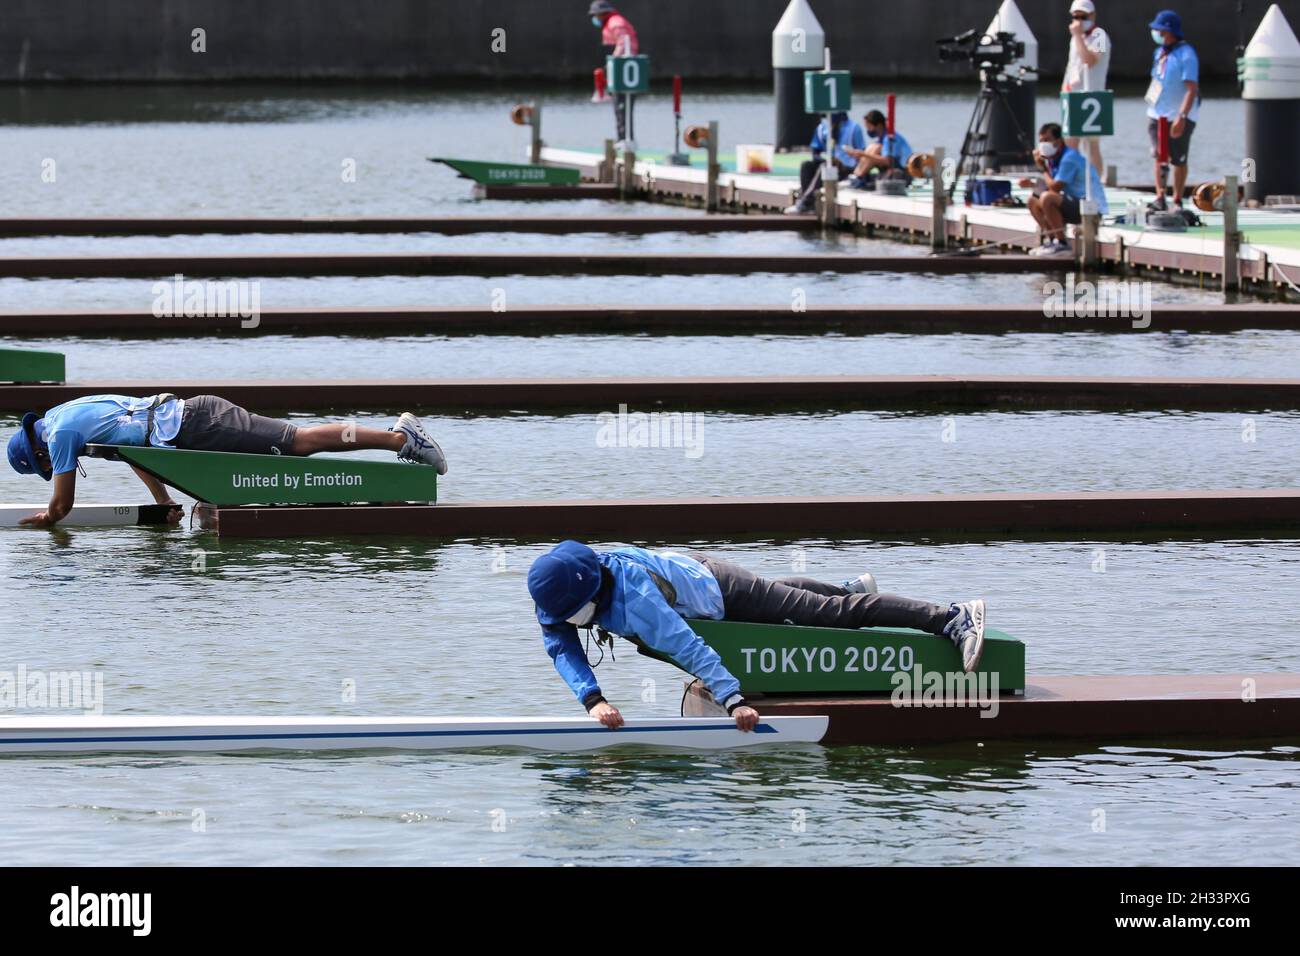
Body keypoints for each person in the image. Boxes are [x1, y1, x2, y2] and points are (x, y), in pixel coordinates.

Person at [527, 541, 987, 732]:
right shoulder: (557, 588)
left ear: (591, 592)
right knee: (790, 602)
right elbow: (558, 642)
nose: (570, 621)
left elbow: (689, 646)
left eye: (574, 614)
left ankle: (951, 617)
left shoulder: (637, 600)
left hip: (721, 591)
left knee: (831, 618)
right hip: (694, 579)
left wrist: (733, 700)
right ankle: (850, 587)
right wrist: (592, 699)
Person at [6, 394, 447, 528]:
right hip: (192, 427)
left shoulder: (61, 435)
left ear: (40, 451)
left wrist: (42, 521)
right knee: (239, 490)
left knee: (298, 443)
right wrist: (163, 504)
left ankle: (399, 438)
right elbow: (135, 453)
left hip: (200, 424)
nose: (52, 465)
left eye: (45, 464)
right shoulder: (63, 416)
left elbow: (61, 505)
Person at [1019, 122, 1108, 256]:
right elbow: (1049, 184)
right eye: (1041, 141)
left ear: (1058, 141)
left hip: (1091, 209)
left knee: (1047, 198)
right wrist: (1031, 184)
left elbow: (1055, 186)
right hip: (1075, 204)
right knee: (1032, 201)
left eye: (1047, 140)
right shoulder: (1053, 158)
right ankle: (1052, 240)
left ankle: (1062, 243)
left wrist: (1042, 168)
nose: (1043, 144)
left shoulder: (1069, 158)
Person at [1145, 9, 1199, 211]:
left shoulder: (1187, 55)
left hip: (1179, 115)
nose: (1156, 34)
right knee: (1159, 156)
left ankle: (1177, 198)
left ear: (1168, 31)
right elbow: (1156, 79)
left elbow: (1192, 89)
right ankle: (1160, 196)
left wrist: (1182, 116)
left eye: (1159, 30)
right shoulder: (1159, 53)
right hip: (1157, 113)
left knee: (1178, 159)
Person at [783, 111, 868, 215]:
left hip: (847, 167)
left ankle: (805, 202)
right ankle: (808, 201)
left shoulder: (854, 128)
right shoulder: (822, 128)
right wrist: (825, 160)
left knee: (826, 167)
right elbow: (815, 153)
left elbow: (862, 154)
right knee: (806, 165)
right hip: (827, 164)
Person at [1061, 0, 1112, 171]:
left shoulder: (1100, 36)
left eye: (1083, 16)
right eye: (1076, 17)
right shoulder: (1076, 39)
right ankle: (1074, 180)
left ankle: (1096, 181)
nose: (1079, 21)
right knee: (1070, 142)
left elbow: (1089, 60)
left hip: (1093, 96)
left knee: (1091, 144)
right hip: (1073, 94)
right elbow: (1071, 66)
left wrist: (1077, 36)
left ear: (1093, 16)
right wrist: (1064, 90)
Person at [588, 0, 639, 146]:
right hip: (620, 69)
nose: (595, 19)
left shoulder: (615, 23)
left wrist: (612, 63)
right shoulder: (611, 23)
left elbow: (624, 44)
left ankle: (625, 140)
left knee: (622, 106)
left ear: (601, 14)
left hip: (623, 70)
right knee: (619, 107)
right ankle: (622, 138)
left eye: (595, 15)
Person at [845, 109, 914, 189]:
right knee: (872, 147)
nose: (868, 130)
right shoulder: (881, 139)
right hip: (892, 168)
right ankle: (857, 175)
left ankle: (859, 177)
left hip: (903, 172)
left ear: (879, 125)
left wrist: (863, 154)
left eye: (869, 127)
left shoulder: (889, 138)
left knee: (874, 148)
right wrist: (858, 155)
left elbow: (887, 161)